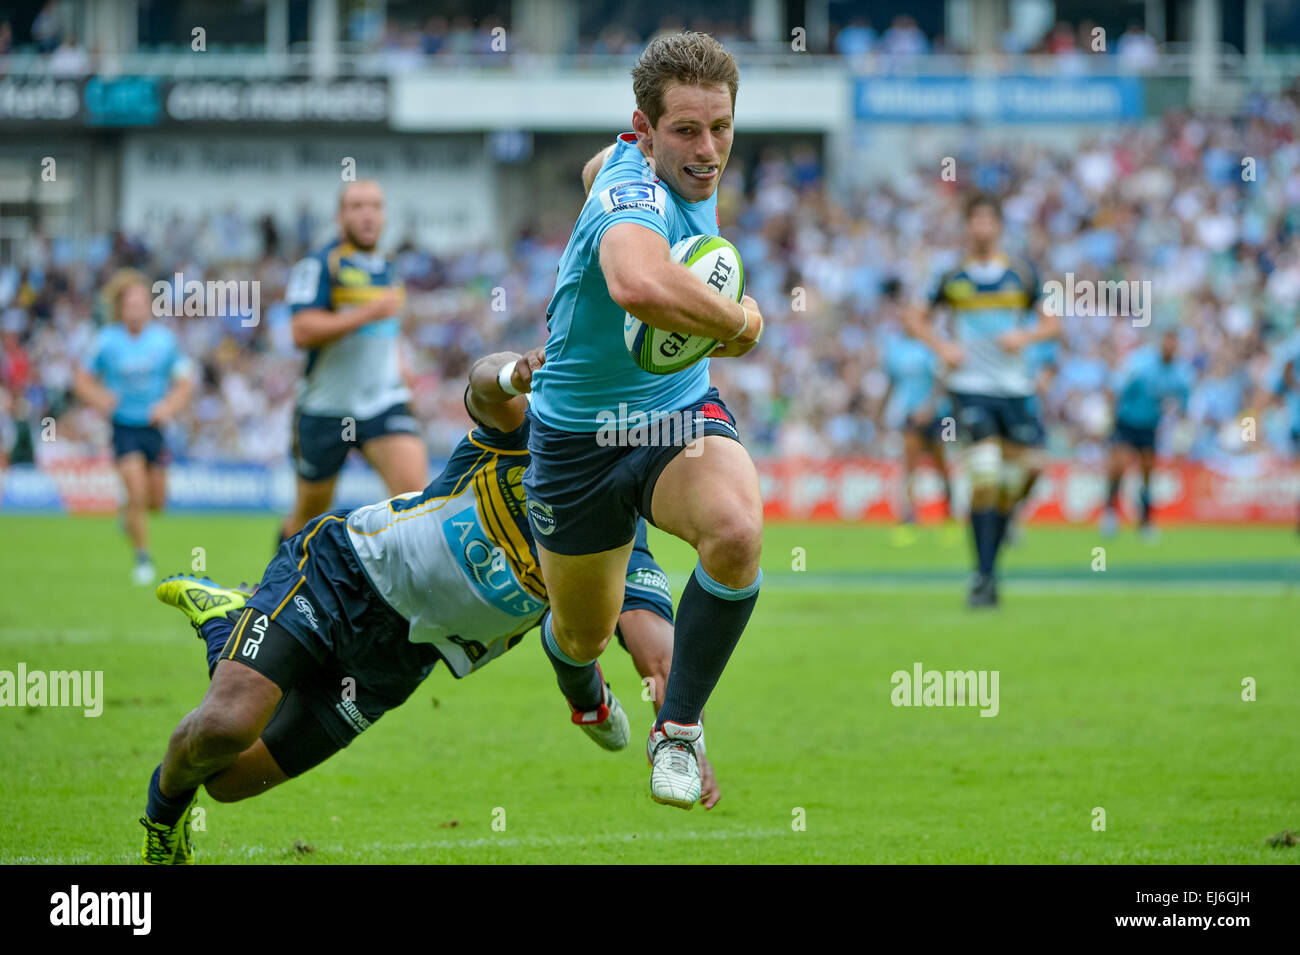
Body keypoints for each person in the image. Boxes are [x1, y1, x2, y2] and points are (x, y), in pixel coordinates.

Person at [139, 347, 721, 864]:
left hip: (399, 662)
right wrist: (513, 372)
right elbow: (481, 384)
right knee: (226, 727)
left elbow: (659, 657)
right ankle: (161, 826)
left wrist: (680, 732)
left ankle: (225, 623)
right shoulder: (531, 435)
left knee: (231, 782)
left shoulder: (619, 548)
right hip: (344, 573)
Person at [524, 31, 765, 809]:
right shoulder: (635, 184)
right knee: (584, 632)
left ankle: (679, 731)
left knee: (736, 531)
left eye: (720, 127)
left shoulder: (649, 169)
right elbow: (633, 279)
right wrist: (739, 321)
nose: (707, 149)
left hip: (670, 415)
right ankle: (584, 690)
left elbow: (599, 170)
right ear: (645, 128)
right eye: (686, 131)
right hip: (577, 439)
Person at [906, 193, 1060, 608]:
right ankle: (983, 577)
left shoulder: (1022, 275)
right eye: (974, 220)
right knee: (987, 474)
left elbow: (1053, 322)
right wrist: (942, 347)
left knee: (1027, 472)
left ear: (998, 227)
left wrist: (1023, 337)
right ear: (967, 226)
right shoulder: (951, 276)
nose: (981, 228)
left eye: (988, 221)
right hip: (970, 386)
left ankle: (995, 548)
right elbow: (914, 317)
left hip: (1015, 387)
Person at [280, 179, 426, 541]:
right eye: (357, 206)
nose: (367, 215)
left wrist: (400, 367)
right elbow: (301, 331)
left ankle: (393, 596)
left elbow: (386, 331)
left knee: (415, 503)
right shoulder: (319, 265)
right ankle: (274, 589)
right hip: (326, 408)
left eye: (375, 206)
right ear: (340, 216)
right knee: (310, 515)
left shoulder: (388, 266)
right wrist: (365, 313)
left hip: (382, 402)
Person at [75, 269, 193, 585]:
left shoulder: (164, 341)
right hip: (123, 427)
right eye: (130, 304)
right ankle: (143, 558)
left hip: (153, 428)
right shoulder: (106, 341)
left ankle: (126, 511)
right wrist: (100, 398)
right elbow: (82, 380)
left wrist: (167, 407)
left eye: (141, 303)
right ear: (121, 308)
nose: (136, 310)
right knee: (138, 491)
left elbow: (184, 383)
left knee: (157, 502)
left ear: (149, 307)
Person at [1101, 330, 1192, 540]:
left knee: (1147, 474)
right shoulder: (1141, 366)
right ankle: (1110, 513)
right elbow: (1117, 389)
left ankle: (1146, 521)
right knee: (1118, 467)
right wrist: (1111, 418)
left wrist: (1182, 432)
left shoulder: (1180, 375)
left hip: (1150, 426)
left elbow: (1184, 405)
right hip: (1126, 422)